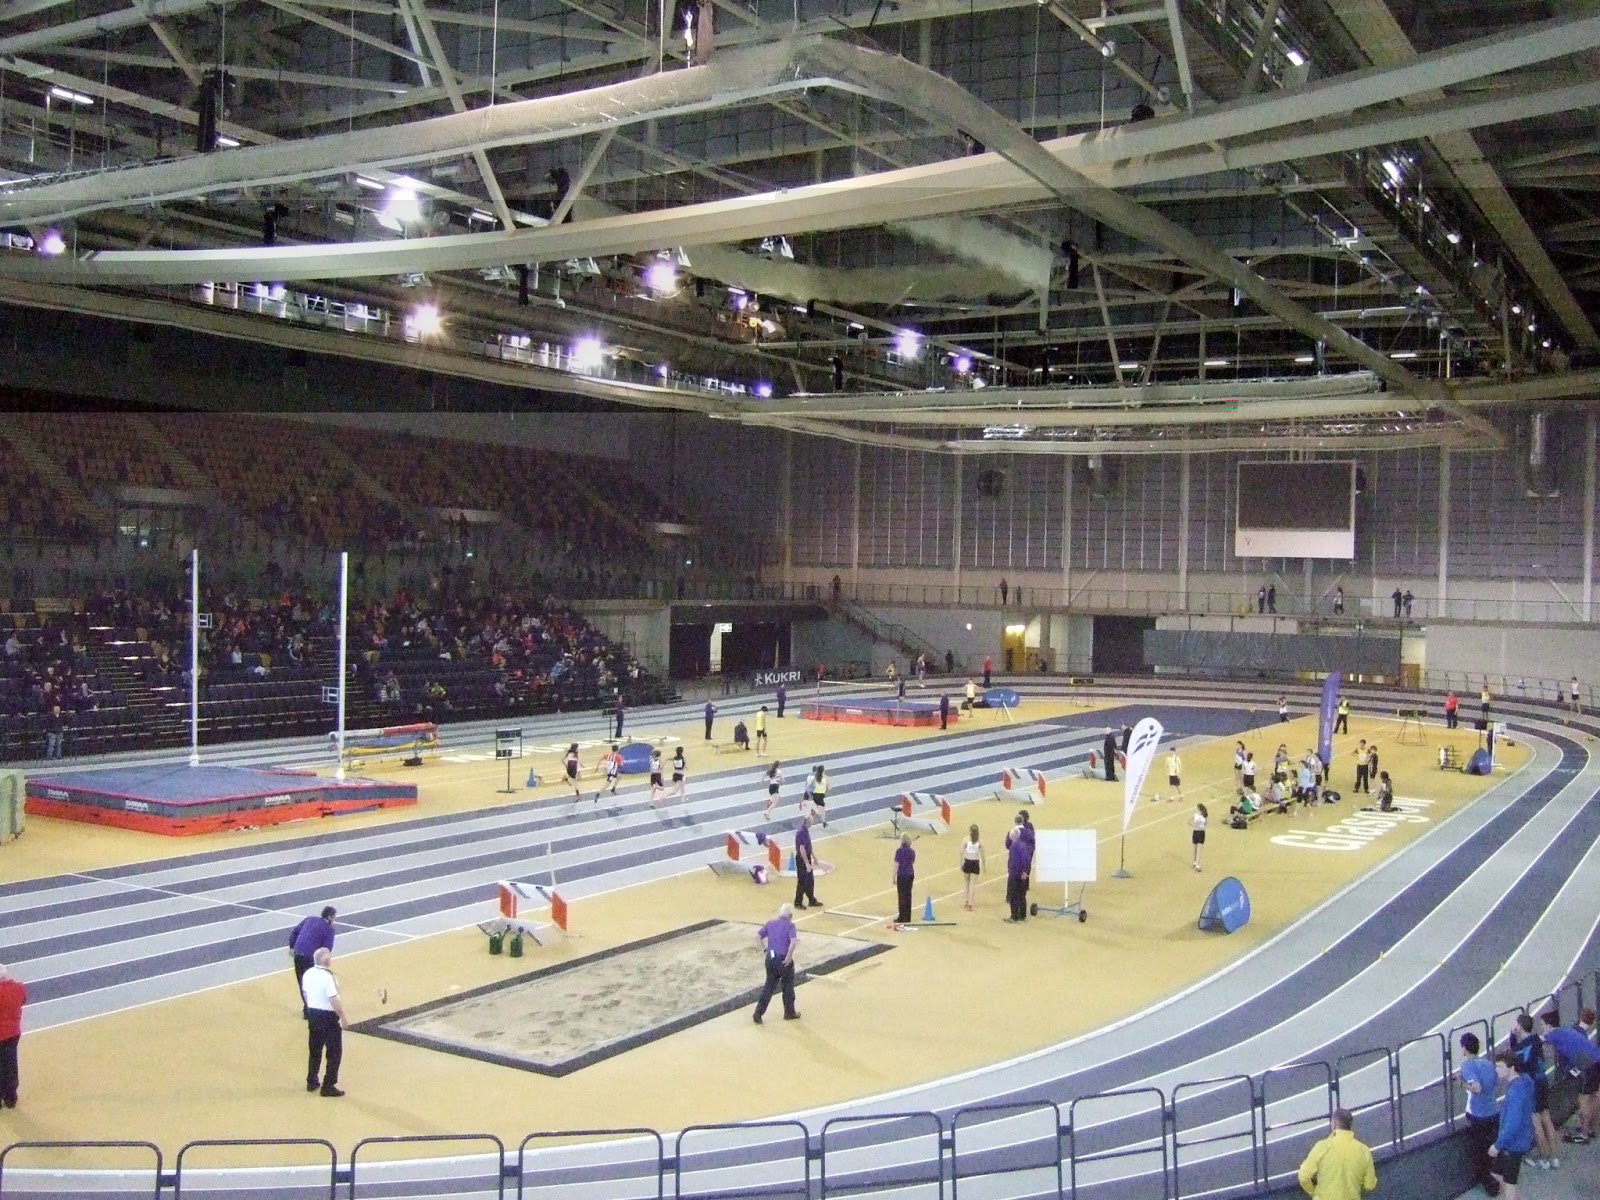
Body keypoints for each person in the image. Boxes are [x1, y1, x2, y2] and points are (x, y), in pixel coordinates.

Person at [1540, 1009, 1599, 1142]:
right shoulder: (1566, 1030)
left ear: (1548, 1025)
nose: (1542, 1028)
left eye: (1543, 1025)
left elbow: (1538, 1040)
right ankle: (1588, 1128)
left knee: (1583, 1100)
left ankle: (1584, 1135)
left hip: (1587, 1066)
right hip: (1596, 1060)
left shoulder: (1554, 1034)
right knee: (1594, 1096)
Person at [1510, 1012, 1559, 1169]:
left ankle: (1544, 1158)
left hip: (1532, 1085)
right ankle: (1554, 1157)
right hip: (1543, 1080)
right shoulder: (1537, 1039)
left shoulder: (1524, 1045)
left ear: (1520, 1026)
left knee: (1536, 1122)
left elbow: (1516, 1059)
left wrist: (1512, 1037)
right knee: (1547, 1117)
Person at [1457, 1032, 1502, 1196]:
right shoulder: (1488, 1063)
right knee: (1490, 1148)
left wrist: (1462, 1083)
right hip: (1493, 1111)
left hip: (1478, 1114)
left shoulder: (1468, 1065)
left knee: (1480, 1149)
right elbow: (1496, 1082)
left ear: (1464, 1048)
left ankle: (1487, 1182)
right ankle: (1493, 1178)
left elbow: (1477, 1087)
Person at [1296, 1108, 1376, 1199]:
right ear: (1350, 1125)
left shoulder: (1323, 1147)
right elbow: (1370, 1185)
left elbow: (1303, 1176)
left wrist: (1313, 1191)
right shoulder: (1364, 1151)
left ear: (1334, 1124)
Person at [301, 947, 348, 1097]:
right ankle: (328, 1085)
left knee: (315, 1050)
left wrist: (310, 1008)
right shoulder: (328, 977)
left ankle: (311, 1080)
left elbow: (305, 993)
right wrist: (343, 1017)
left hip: (313, 1014)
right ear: (327, 961)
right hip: (327, 1017)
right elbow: (334, 999)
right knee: (334, 1052)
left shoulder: (308, 973)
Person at [1490, 1051, 1536, 1199]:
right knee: (1497, 1173)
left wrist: (1498, 1144)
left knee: (1509, 1183)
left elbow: (1513, 1123)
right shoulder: (1523, 1082)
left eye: (1500, 1067)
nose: (1497, 1070)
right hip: (1518, 1138)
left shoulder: (1515, 1090)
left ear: (1512, 1067)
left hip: (1514, 1143)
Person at [752, 903, 799, 1023]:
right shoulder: (790, 925)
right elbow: (793, 943)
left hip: (771, 959)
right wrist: (788, 957)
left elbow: (757, 937)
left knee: (768, 986)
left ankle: (758, 1013)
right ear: (790, 915)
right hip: (783, 959)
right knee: (787, 986)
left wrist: (765, 950)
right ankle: (789, 1012)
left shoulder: (771, 923)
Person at [288, 905, 337, 1017]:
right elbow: (326, 949)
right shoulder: (329, 929)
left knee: (302, 982)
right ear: (329, 917)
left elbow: (294, 932)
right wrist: (325, 964)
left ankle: (307, 1009)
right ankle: (315, 1009)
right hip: (310, 957)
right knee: (314, 983)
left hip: (298, 954)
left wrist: (292, 947)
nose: (335, 920)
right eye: (334, 917)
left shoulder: (310, 919)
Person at [0, 963, 25, 1109]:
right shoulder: (19, 987)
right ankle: (11, 1096)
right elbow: (23, 1000)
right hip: (13, 1032)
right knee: (10, 1063)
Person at [1004, 813, 1033, 922]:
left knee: (1013, 895)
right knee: (1022, 894)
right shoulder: (1027, 838)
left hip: (1015, 872)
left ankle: (1014, 916)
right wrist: (1025, 871)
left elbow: (1014, 861)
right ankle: (1022, 915)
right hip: (1025, 870)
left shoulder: (1013, 847)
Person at [792, 812, 820, 909]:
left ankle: (811, 899)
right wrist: (807, 863)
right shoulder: (801, 832)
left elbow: (809, 846)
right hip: (801, 859)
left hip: (806, 857)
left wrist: (814, 857)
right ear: (807, 822)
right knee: (802, 881)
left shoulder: (806, 831)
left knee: (810, 880)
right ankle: (797, 902)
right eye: (811, 822)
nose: (812, 823)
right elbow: (802, 849)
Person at [893, 833, 916, 925]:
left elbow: (896, 864)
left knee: (901, 895)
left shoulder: (899, 851)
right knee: (908, 894)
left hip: (902, 874)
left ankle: (902, 916)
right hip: (910, 874)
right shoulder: (912, 851)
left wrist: (893, 876)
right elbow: (913, 861)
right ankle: (907, 916)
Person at [960, 823, 982, 911]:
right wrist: (984, 865)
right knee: (972, 884)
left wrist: (961, 863)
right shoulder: (980, 841)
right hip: (975, 863)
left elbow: (961, 852)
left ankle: (966, 900)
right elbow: (983, 855)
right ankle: (970, 904)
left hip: (967, 862)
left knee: (966, 883)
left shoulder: (965, 840)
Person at [1190, 804, 1207, 871]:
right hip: (1199, 832)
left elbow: (1188, 822)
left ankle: (1196, 863)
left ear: (1199, 809)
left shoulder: (1199, 815)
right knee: (1197, 849)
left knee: (1197, 849)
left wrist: (1195, 826)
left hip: (1197, 832)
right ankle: (1196, 863)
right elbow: (1205, 824)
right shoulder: (1200, 816)